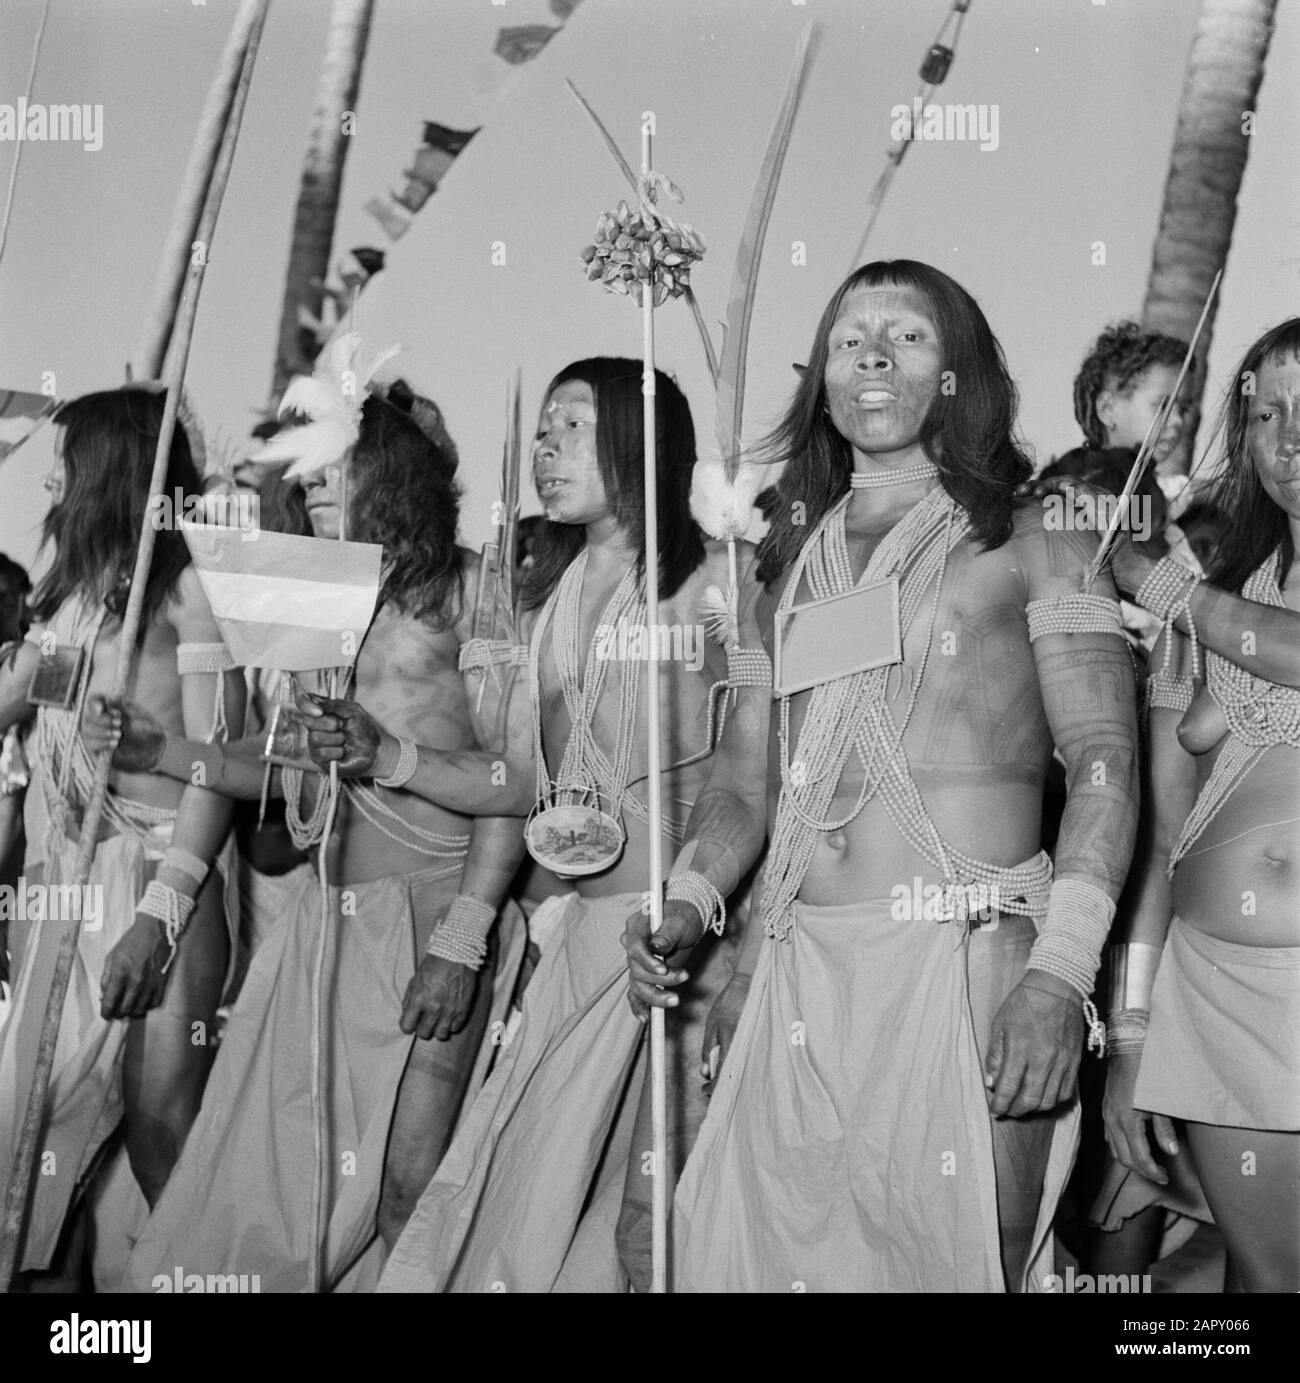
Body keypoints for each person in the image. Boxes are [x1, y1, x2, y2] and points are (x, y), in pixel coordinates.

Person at [626, 260, 1141, 1291]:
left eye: (906, 334)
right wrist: (685, 909)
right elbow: (743, 786)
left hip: (969, 955)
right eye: (849, 335)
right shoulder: (777, 567)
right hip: (795, 965)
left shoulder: (1039, 540)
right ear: (821, 378)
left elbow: (1104, 762)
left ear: (959, 373)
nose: (870, 352)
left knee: (970, 1261)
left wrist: (1059, 974)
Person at [302, 358, 752, 1291]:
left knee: (658, 1230)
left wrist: (705, 913)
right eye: (542, 431)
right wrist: (387, 755)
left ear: (639, 440)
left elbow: (757, 778)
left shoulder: (716, 588)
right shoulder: (544, 610)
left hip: (688, 950)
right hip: (581, 944)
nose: (546, 449)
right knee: (518, 1214)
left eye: (573, 427)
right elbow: (515, 780)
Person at [92, 366, 525, 1291]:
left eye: (330, 466)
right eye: (307, 473)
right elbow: (280, 766)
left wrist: (462, 938)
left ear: (388, 471)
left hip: (434, 916)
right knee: (275, 1185)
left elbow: (515, 779)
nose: (312, 485)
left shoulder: (470, 592)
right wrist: (162, 748)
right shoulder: (315, 599)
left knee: (410, 1186)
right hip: (327, 928)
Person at [0, 388, 243, 1287]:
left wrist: (159, 914)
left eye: (67, 455)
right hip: (68, 877)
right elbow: (19, 701)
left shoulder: (182, 590)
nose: (51, 473)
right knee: (36, 1130)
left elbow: (218, 766)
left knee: (158, 1135)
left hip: (158, 880)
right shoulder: (73, 598)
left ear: (111, 467)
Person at [1103, 318, 1300, 1293]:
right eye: (1264, 414)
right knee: (1259, 1279)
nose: (1289, 439)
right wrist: (1133, 1030)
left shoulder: (1197, 601)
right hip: (1216, 986)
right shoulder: (1228, 591)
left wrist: (1160, 586)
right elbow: (1162, 833)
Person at [1073, 320, 1191, 503]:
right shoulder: (1085, 483)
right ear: (1107, 409)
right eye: (1162, 406)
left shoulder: (1157, 487)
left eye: (1183, 409)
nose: (1177, 420)